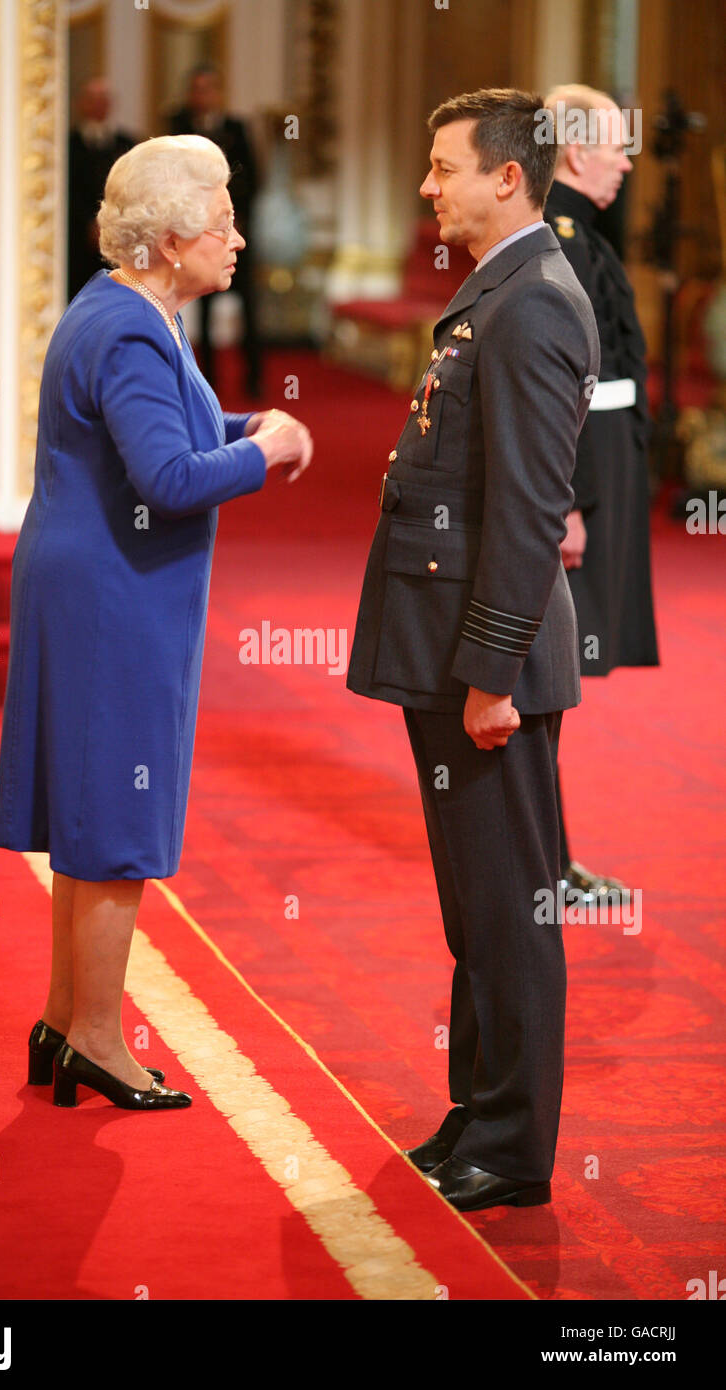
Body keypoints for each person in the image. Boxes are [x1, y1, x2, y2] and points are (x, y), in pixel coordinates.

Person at [0, 135, 312, 1111]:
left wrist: (241, 431)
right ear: (170, 239)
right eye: (220, 221)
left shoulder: (124, 310)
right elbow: (167, 479)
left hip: (95, 586)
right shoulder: (133, 329)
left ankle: (63, 1019)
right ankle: (94, 1034)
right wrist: (270, 451)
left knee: (90, 817)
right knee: (115, 822)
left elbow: (163, 437)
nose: (236, 238)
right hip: (112, 602)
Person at [346, 89, 599, 1211]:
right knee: (475, 908)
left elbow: (529, 511)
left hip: (481, 664)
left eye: (442, 167)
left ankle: (512, 1145)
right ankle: (477, 1113)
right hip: (451, 652)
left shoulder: (531, 302)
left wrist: (492, 673)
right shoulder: (500, 289)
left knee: (509, 905)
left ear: (505, 177)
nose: (425, 186)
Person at [543, 84, 659, 902]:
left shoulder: (580, 229)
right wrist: (572, 500)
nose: (626, 160)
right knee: (548, 678)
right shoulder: (565, 233)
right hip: (585, 477)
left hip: (602, 470)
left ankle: (549, 857)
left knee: (558, 683)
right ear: (578, 151)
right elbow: (566, 382)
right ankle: (542, 866)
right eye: (617, 145)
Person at [169, 65, 264, 396]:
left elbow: (252, 178)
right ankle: (205, 380)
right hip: (197, 234)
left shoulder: (236, 128)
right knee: (204, 305)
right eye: (196, 89)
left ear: (218, 93)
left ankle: (254, 380)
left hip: (235, 227)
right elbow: (173, 180)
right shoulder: (178, 127)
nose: (202, 95)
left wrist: (230, 221)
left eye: (208, 88)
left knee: (250, 306)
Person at [67, 77, 135, 302]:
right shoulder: (68, 144)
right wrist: (89, 222)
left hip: (117, 235)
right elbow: (69, 190)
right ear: (80, 103)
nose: (97, 105)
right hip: (78, 238)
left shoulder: (127, 144)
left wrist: (110, 221)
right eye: (91, 99)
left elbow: (131, 188)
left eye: (102, 99)